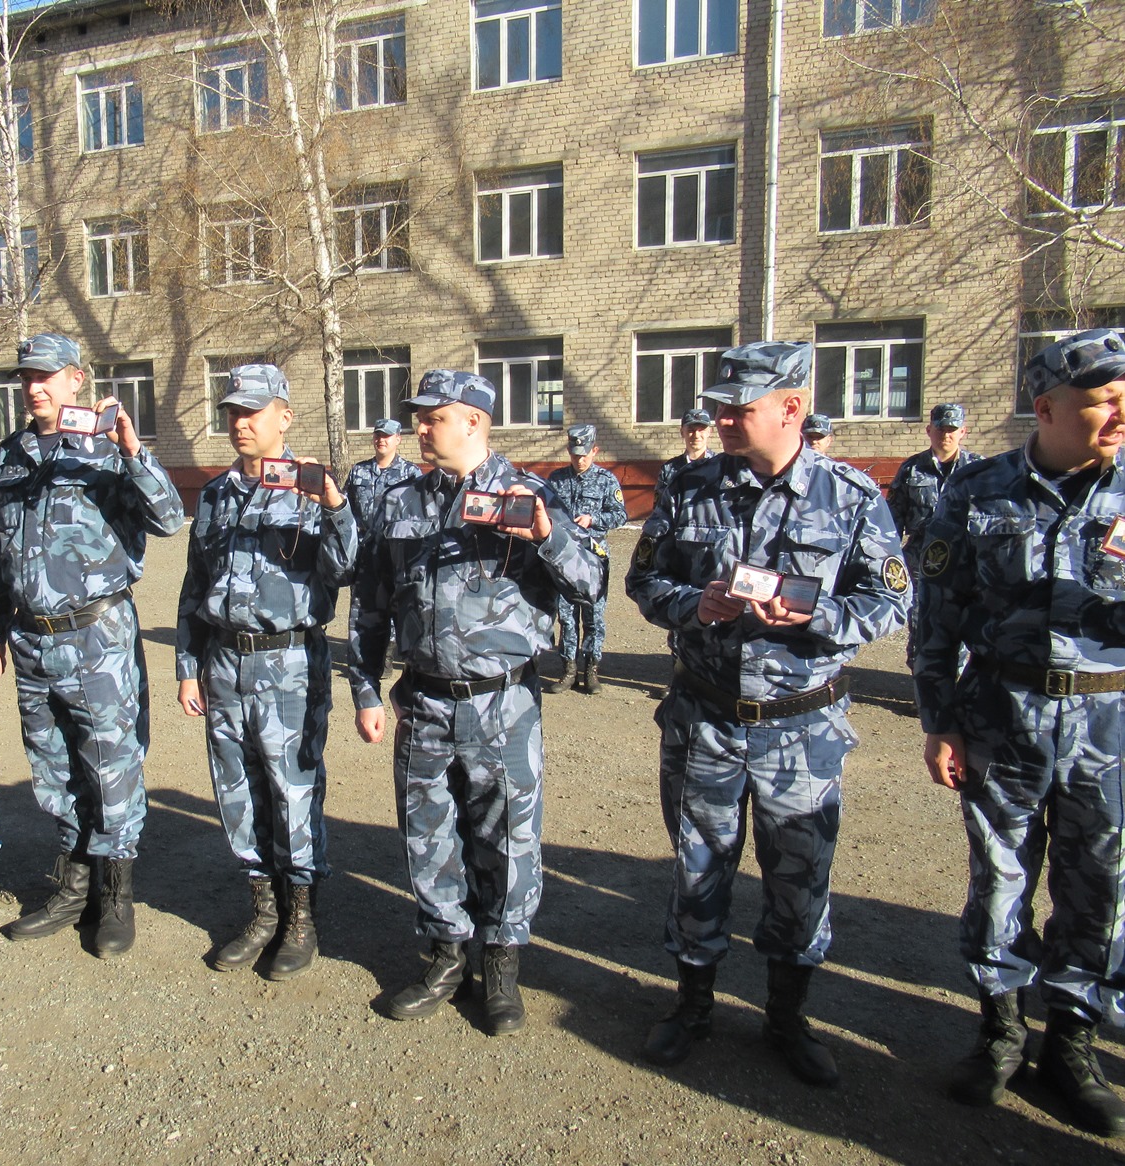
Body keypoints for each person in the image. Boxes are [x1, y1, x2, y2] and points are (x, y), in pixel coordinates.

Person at [624, 341, 909, 1087]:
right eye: (718, 406)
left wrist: (814, 618)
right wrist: (693, 603)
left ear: (791, 407)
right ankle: (691, 1007)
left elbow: (894, 600)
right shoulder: (688, 488)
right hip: (706, 718)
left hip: (799, 726)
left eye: (737, 409)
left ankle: (786, 1016)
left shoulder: (850, 497)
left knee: (798, 879)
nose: (720, 419)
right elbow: (644, 580)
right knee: (697, 868)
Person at [915, 328, 1125, 1135]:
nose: (1115, 416)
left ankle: (1073, 1042)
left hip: (1110, 721)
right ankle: (999, 1030)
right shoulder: (978, 492)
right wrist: (938, 722)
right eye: (1099, 403)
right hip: (1001, 718)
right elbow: (937, 618)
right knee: (999, 880)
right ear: (1044, 410)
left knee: (1099, 889)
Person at [349, 370, 602, 1035]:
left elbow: (590, 585)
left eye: (434, 417)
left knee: (507, 839)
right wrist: (364, 686)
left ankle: (500, 963)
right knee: (428, 837)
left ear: (475, 422)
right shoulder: (396, 502)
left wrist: (547, 536)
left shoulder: (529, 494)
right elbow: (368, 604)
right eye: (418, 417)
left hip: (503, 703)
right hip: (426, 701)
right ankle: (443, 954)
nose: (420, 427)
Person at [0, 333, 184, 954]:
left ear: (77, 380)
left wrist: (132, 451)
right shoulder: (11, 454)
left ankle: (115, 895)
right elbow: (1, 553)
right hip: (33, 641)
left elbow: (169, 519)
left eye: (46, 376)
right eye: (25, 378)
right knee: (53, 768)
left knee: (111, 766)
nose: (34, 387)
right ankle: (72, 887)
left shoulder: (107, 452)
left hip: (96, 637)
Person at [176, 364, 357, 981]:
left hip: (290, 664)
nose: (240, 424)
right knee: (237, 792)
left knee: (293, 788)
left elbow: (351, 566)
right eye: (232, 412)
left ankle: (301, 917)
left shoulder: (311, 490)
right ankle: (261, 909)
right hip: (225, 661)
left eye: (252, 412)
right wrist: (186, 665)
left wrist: (333, 505)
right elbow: (194, 584)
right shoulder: (218, 494)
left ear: (284, 415)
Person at [886, 402, 982, 667]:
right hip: (921, 563)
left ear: (964, 431)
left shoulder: (980, 471)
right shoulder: (911, 469)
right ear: (929, 430)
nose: (946, 435)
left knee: (961, 627)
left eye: (952, 429)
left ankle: (955, 693)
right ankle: (923, 691)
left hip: (966, 563)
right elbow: (892, 520)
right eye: (941, 429)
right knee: (921, 627)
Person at [544, 423, 625, 694]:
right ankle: (568, 670)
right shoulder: (555, 481)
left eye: (585, 454)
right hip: (565, 559)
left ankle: (591, 670)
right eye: (575, 454)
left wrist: (594, 519)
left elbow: (619, 514)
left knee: (593, 616)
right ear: (569, 450)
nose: (580, 459)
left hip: (594, 558)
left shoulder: (606, 480)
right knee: (566, 616)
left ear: (595, 451)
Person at [344, 418, 422, 676]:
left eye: (387, 436)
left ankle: (397, 652)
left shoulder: (411, 474)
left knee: (399, 600)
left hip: (396, 548)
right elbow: (347, 507)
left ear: (398, 439)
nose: (381, 440)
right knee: (364, 602)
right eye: (378, 435)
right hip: (365, 550)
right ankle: (371, 656)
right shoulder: (359, 471)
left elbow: (418, 513)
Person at [653, 408, 716, 507]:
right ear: (682, 432)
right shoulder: (669, 470)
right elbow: (660, 509)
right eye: (691, 430)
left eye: (701, 430)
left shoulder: (721, 465)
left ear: (709, 432)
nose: (696, 435)